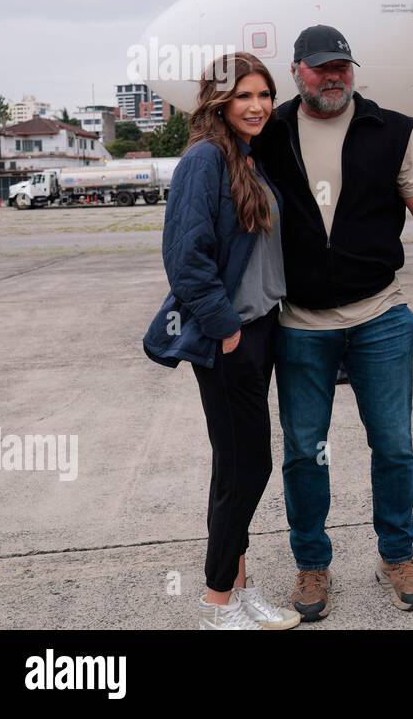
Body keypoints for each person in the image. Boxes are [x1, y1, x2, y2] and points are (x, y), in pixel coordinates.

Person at [251, 25, 413, 621]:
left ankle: (397, 555)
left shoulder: (391, 130)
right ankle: (312, 566)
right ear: (296, 72)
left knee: (393, 444)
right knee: (303, 451)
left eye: (342, 64)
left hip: (380, 315)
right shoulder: (270, 133)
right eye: (320, 67)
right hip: (298, 321)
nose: (333, 75)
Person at [143, 52, 299, 630]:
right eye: (244, 97)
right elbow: (185, 261)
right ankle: (216, 603)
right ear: (219, 102)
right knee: (246, 466)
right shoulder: (204, 160)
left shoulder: (245, 158)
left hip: (260, 329)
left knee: (235, 465)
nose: (257, 106)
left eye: (264, 95)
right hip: (229, 337)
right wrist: (227, 329)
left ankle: (238, 585)